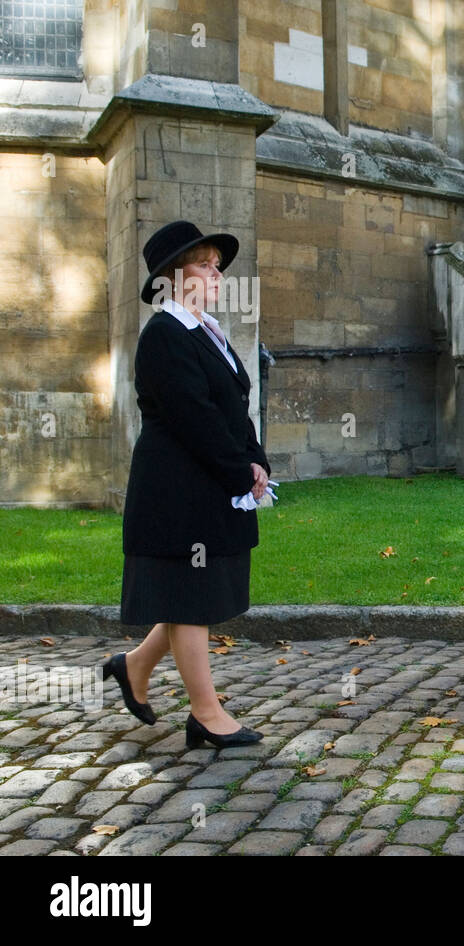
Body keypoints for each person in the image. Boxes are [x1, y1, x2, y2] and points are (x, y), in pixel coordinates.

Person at [102, 220, 269, 750]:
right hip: (175, 491)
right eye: (204, 263)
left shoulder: (208, 331)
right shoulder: (164, 335)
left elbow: (233, 408)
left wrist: (255, 459)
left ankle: (133, 667)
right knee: (190, 600)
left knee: (186, 596)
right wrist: (237, 471)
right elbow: (194, 418)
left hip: (206, 482)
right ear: (172, 277)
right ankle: (206, 713)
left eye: (217, 265)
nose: (216, 273)